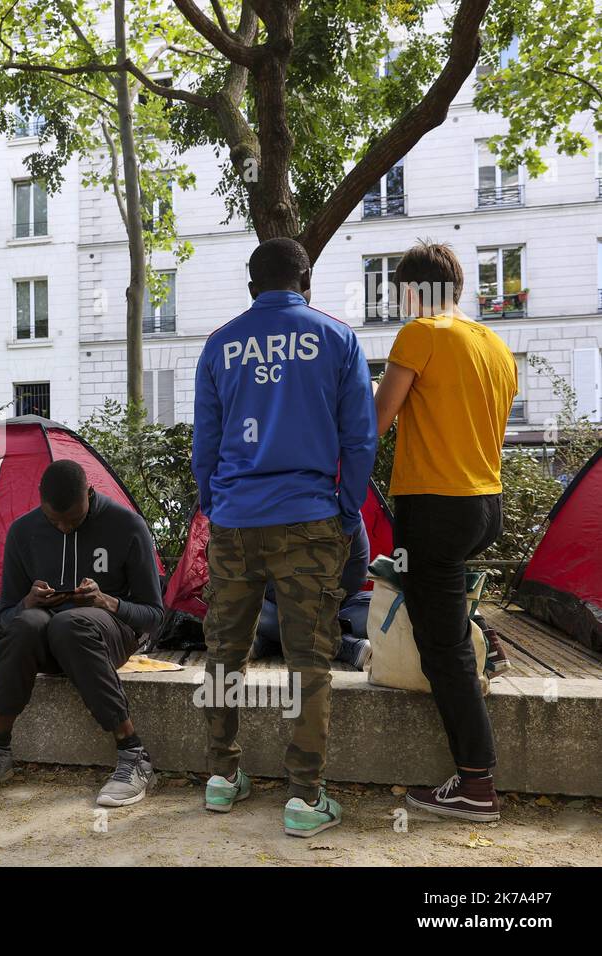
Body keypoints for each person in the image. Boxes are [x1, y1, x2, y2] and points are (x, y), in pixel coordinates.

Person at [192, 237, 377, 837]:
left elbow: (207, 447)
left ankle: (222, 777)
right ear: (307, 279)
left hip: (236, 520)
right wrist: (345, 512)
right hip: (309, 520)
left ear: (251, 287)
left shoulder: (220, 346)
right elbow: (360, 441)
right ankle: (303, 796)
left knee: (224, 651)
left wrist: (216, 507)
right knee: (308, 661)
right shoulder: (338, 340)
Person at [374, 241, 517, 822]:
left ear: (415, 291)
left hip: (434, 506)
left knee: (445, 650)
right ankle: (484, 638)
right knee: (445, 615)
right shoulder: (496, 345)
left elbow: (376, 421)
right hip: (486, 504)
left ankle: (476, 784)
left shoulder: (421, 334)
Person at [0, 459, 166, 807]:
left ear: (89, 493)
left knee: (70, 624)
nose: (65, 528)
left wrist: (108, 602)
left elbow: (154, 615)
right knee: (27, 624)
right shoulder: (24, 532)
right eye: (55, 521)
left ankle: (134, 755)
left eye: (74, 520)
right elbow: (7, 616)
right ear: (40, 502)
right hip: (48, 640)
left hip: (105, 636)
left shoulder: (127, 526)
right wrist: (28, 601)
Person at [251, 516, 373, 671]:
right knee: (243, 603)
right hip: (285, 606)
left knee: (381, 606)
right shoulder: (271, 513)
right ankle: (340, 646)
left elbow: (356, 576)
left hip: (337, 606)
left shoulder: (347, 513)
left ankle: (274, 642)